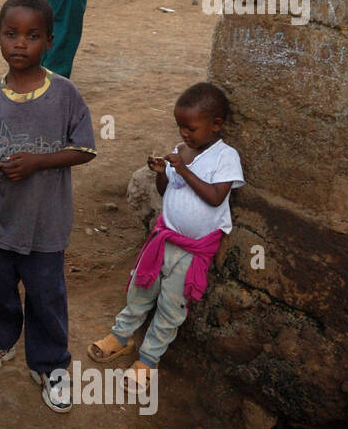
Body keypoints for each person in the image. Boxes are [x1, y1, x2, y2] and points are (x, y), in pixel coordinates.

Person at [0, 0, 96, 412]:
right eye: (11, 35)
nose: (20, 44)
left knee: (46, 296)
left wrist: (38, 162)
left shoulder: (64, 95)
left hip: (45, 225)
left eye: (32, 36)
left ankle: (50, 363)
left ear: (49, 41)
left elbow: (84, 149)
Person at [88, 83, 243, 389]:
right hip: (164, 239)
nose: (185, 134)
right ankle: (120, 336)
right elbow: (165, 191)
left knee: (172, 307)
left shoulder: (226, 157)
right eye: (180, 126)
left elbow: (215, 197)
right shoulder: (180, 151)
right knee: (141, 290)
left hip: (192, 251)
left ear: (216, 125)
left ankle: (148, 360)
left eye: (191, 128)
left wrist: (183, 171)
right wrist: (162, 172)